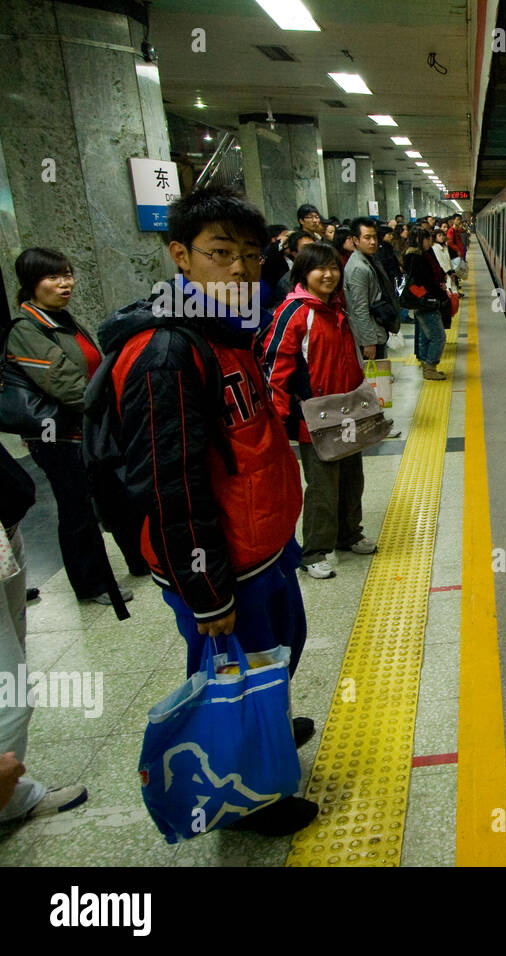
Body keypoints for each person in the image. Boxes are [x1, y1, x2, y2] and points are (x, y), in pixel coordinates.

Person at [98, 185, 317, 836]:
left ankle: (267, 724)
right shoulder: (166, 352)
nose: (240, 270)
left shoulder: (227, 331)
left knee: (278, 650)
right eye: (220, 253)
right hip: (221, 567)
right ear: (180, 257)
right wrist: (205, 591)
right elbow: (174, 486)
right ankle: (246, 801)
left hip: (263, 547)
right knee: (228, 673)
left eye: (250, 255)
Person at [6, 248, 144, 605]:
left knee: (115, 495)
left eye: (67, 274)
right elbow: (64, 382)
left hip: (89, 426)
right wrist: (108, 407)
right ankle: (91, 583)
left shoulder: (61, 318)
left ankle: (138, 559)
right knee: (77, 507)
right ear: (31, 284)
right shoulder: (26, 327)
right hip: (57, 435)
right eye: (53, 277)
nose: (65, 283)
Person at [263, 242, 376, 580]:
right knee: (323, 487)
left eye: (333, 268)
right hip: (315, 414)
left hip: (346, 410)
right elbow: (275, 365)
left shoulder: (336, 309)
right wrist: (278, 417)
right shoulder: (295, 312)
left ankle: (348, 534)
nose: (328, 274)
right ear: (303, 273)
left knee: (352, 479)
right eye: (319, 269)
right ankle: (314, 551)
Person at [0, 441, 88, 824]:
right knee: (11, 695)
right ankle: (10, 798)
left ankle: (11, 791)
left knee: (15, 662)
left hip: (5, 524)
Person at [343, 221, 400, 361]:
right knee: (375, 379)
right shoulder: (358, 268)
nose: (373, 242)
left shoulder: (368, 260)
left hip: (377, 330)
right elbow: (360, 308)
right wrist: (368, 342)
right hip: (371, 336)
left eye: (375, 237)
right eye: (367, 238)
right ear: (356, 240)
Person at [400, 227, 448, 380]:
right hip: (426, 302)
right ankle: (430, 367)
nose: (430, 243)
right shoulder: (418, 258)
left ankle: (426, 364)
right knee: (438, 336)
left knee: (426, 336)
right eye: (428, 239)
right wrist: (440, 295)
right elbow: (425, 282)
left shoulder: (411, 256)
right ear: (422, 240)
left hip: (420, 302)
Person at [275, 230, 314, 307]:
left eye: (314, 247)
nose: (312, 251)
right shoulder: (288, 281)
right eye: (306, 248)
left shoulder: (323, 272)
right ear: (294, 253)